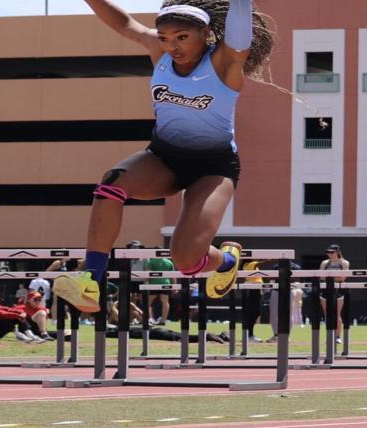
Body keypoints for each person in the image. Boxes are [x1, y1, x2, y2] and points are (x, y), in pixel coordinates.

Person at [57, 0, 276, 315]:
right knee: (111, 185)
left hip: (212, 168)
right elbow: (125, 24)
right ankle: (91, 280)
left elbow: (240, 33)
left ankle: (227, 260)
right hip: (164, 158)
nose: (172, 46)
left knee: (186, 261)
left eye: (182, 37)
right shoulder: (159, 53)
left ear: (206, 33)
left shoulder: (225, 61)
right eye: (164, 38)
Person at [319, 243, 350, 343]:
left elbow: (343, 278)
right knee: (327, 314)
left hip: (338, 290)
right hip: (325, 290)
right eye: (328, 252)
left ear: (337, 252)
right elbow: (321, 276)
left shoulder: (344, 263)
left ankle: (337, 336)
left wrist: (329, 277)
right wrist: (334, 277)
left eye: (331, 252)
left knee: (337, 314)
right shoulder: (324, 263)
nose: (329, 254)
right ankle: (329, 335)